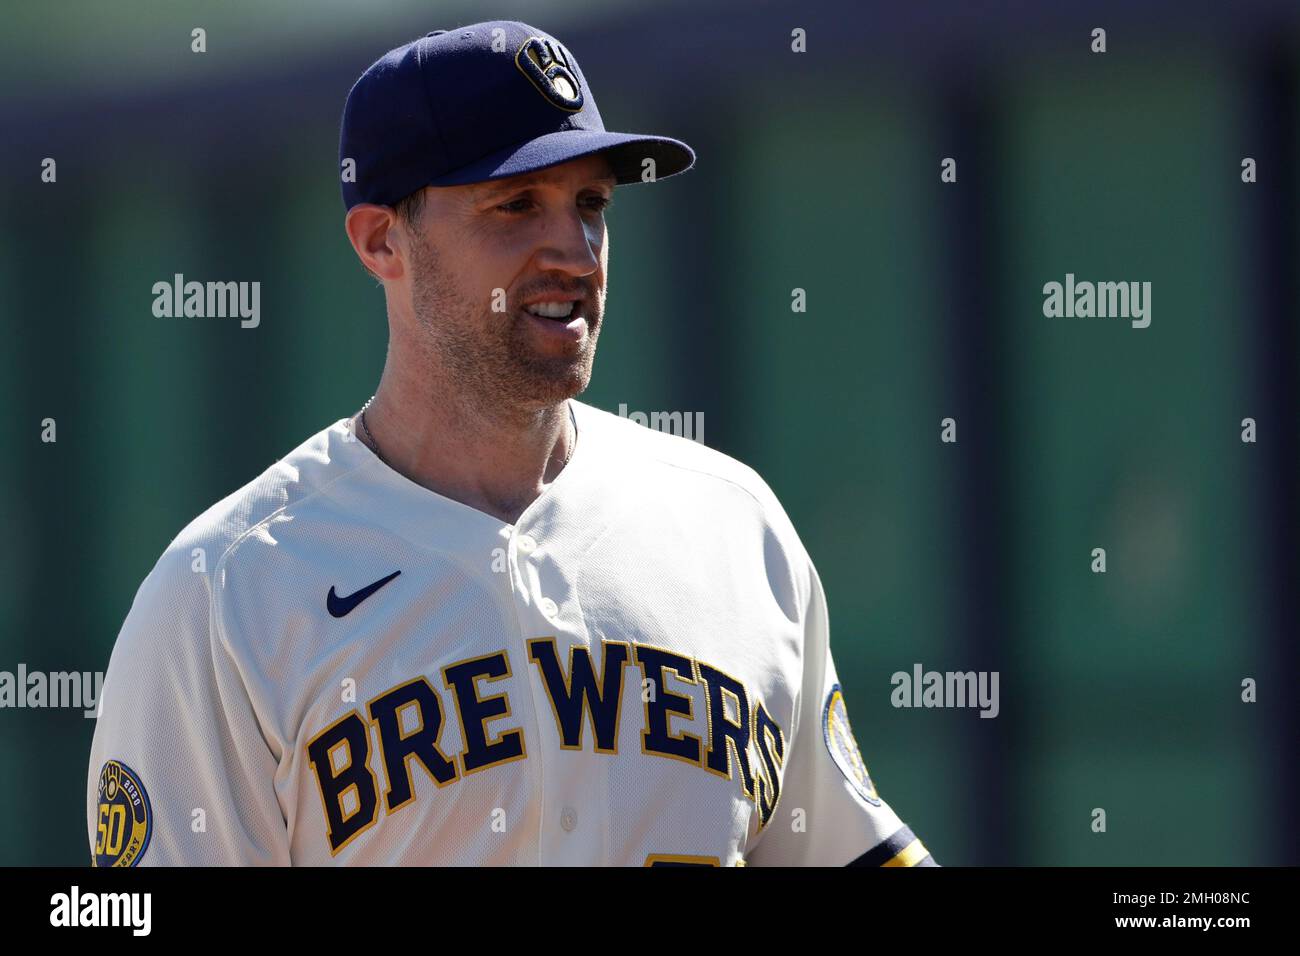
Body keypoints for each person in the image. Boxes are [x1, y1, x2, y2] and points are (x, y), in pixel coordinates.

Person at [87, 20, 936, 867]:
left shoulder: (733, 527)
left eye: (592, 205)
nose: (574, 251)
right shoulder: (231, 591)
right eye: (516, 204)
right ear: (382, 239)